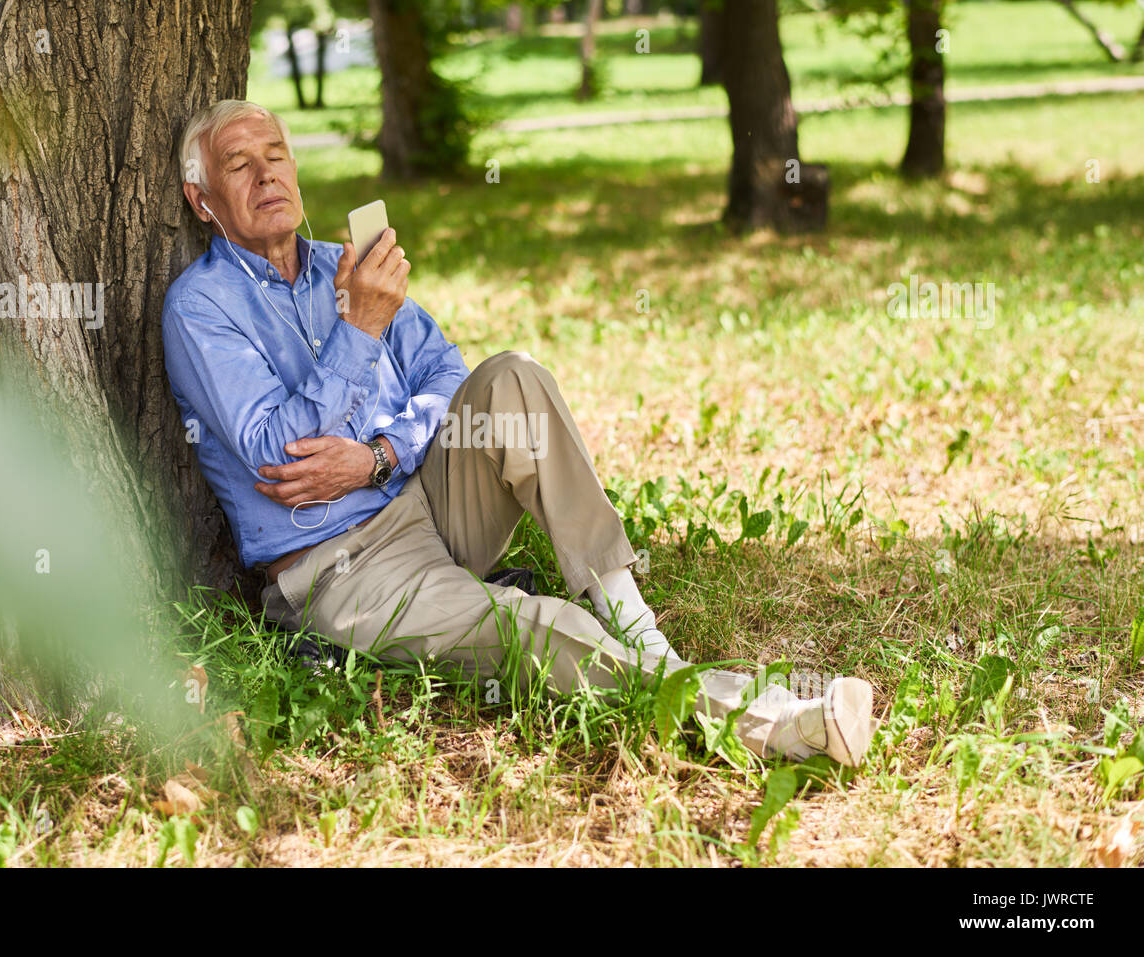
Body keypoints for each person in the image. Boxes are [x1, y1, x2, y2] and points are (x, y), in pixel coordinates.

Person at [161, 99, 875, 767]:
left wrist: (381, 455)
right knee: (527, 625)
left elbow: (446, 375)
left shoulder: (341, 267)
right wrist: (362, 329)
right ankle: (777, 722)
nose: (267, 175)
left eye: (277, 154)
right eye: (238, 165)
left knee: (512, 377)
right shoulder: (200, 306)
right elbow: (274, 455)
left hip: (425, 499)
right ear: (203, 200)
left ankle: (634, 620)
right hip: (344, 565)